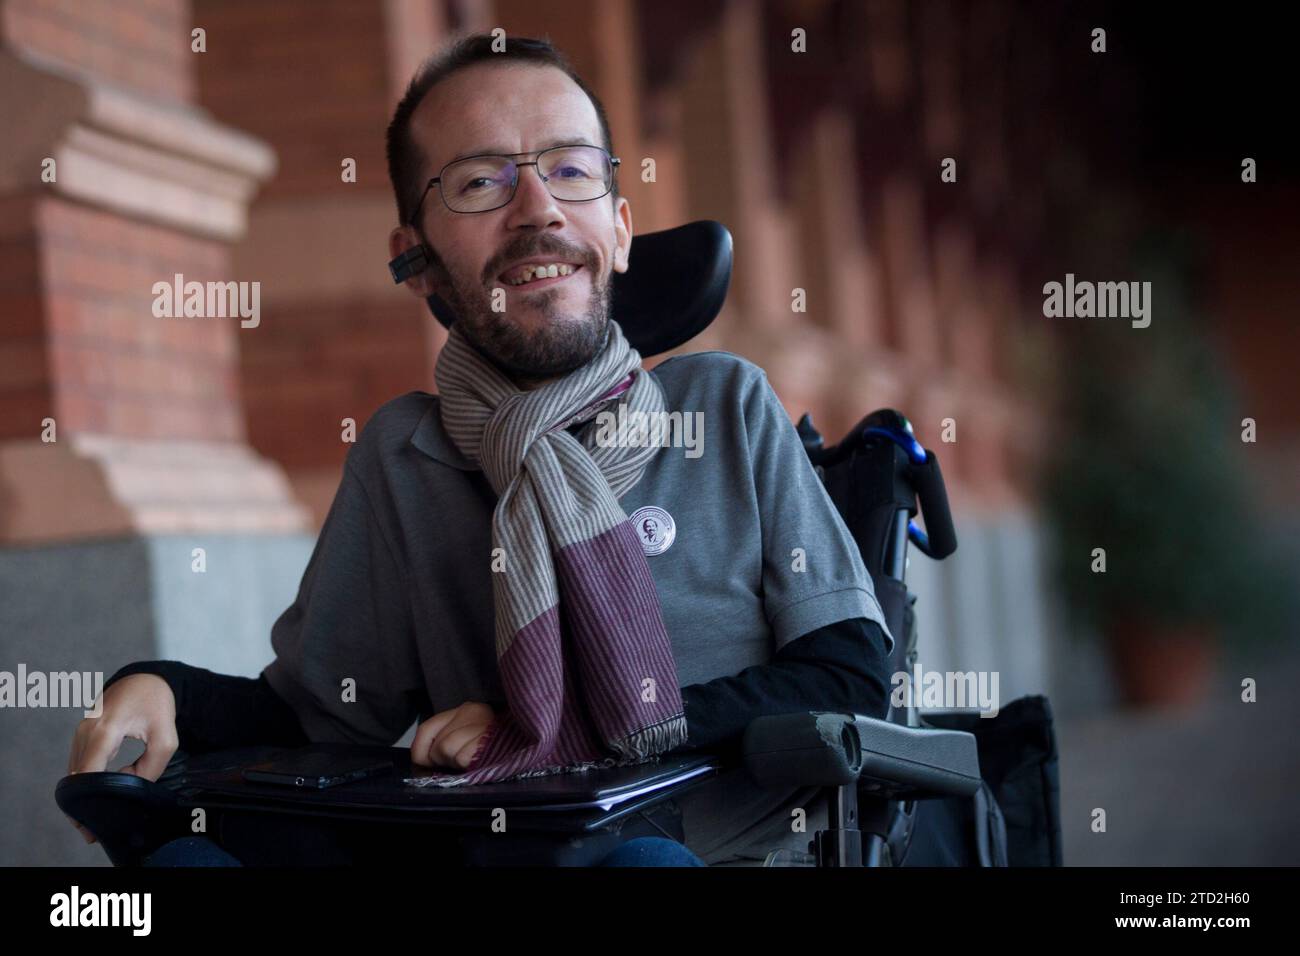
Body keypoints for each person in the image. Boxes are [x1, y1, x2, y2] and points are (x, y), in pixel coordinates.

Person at [66, 33, 894, 867]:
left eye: (571, 170)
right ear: (414, 261)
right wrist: (159, 685)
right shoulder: (405, 456)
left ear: (620, 226)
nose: (538, 208)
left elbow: (848, 677)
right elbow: (316, 717)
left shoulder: (725, 408)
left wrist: (561, 729)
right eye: (478, 182)